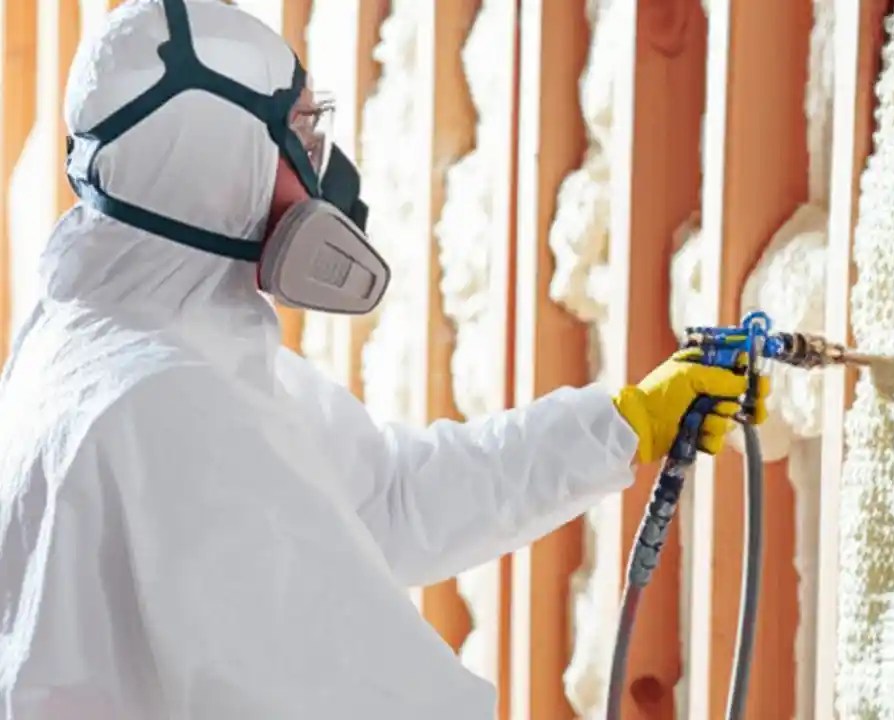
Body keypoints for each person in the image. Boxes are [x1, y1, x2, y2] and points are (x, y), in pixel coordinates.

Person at [0, 1, 769, 718]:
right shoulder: (172, 406)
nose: (323, 165)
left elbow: (389, 499)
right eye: (299, 131)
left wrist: (623, 425)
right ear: (220, 162)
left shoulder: (122, 334)